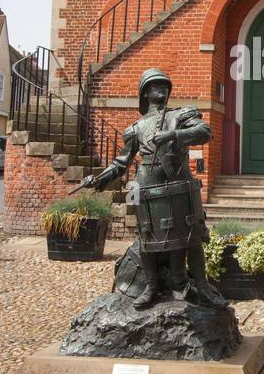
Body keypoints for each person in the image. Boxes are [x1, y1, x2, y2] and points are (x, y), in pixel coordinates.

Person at [81, 67, 226, 310]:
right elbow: (120, 163)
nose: (161, 89)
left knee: (192, 238)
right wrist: (98, 179)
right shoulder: (136, 129)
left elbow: (204, 132)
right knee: (147, 238)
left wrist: (173, 135)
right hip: (147, 186)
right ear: (145, 93)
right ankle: (151, 287)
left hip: (179, 184)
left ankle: (202, 288)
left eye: (164, 85)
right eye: (154, 85)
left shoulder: (179, 115)